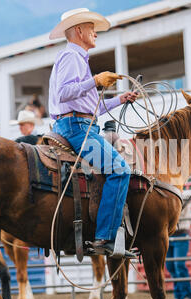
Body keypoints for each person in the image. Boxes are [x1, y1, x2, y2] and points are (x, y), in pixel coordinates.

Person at [48, 8, 138, 258]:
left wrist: (120, 99)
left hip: (79, 123)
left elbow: (90, 108)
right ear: (79, 30)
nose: (95, 32)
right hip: (77, 128)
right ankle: (105, 238)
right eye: (91, 28)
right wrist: (95, 81)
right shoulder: (71, 56)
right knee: (120, 170)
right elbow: (64, 93)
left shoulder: (76, 59)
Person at [166, 190, 191, 299]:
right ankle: (178, 296)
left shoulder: (183, 195)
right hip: (168, 235)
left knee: (179, 265)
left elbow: (190, 193)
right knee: (171, 266)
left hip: (181, 234)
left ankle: (187, 296)